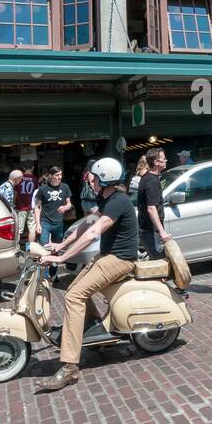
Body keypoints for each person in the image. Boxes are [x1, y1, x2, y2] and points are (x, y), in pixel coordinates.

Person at [35, 158, 139, 392]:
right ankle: (93, 328)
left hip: (120, 260)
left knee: (73, 297)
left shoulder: (118, 201)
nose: (88, 179)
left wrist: (62, 259)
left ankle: (70, 368)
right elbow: (87, 223)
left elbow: (93, 232)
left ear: (102, 178)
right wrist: (61, 245)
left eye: (92, 176)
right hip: (107, 256)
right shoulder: (107, 198)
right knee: (73, 289)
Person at [34, 166, 73, 278]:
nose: (59, 177)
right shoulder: (43, 189)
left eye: (60, 174)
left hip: (58, 222)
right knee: (44, 248)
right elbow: (37, 207)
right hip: (45, 222)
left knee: (56, 248)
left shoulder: (65, 187)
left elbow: (69, 203)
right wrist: (38, 224)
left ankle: (54, 273)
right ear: (50, 176)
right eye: (57, 175)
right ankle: (44, 274)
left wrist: (65, 207)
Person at [137, 146, 170, 258]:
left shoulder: (148, 177)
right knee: (161, 264)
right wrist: (161, 232)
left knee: (160, 264)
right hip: (151, 231)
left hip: (148, 230)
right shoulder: (151, 181)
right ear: (156, 162)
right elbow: (151, 208)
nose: (166, 161)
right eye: (163, 159)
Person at [14, 166, 38, 250]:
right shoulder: (35, 179)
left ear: (23, 168)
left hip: (20, 207)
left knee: (19, 230)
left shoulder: (20, 178)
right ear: (32, 168)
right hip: (31, 207)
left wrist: (13, 202)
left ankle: (16, 248)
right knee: (32, 229)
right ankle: (30, 249)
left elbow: (16, 192)